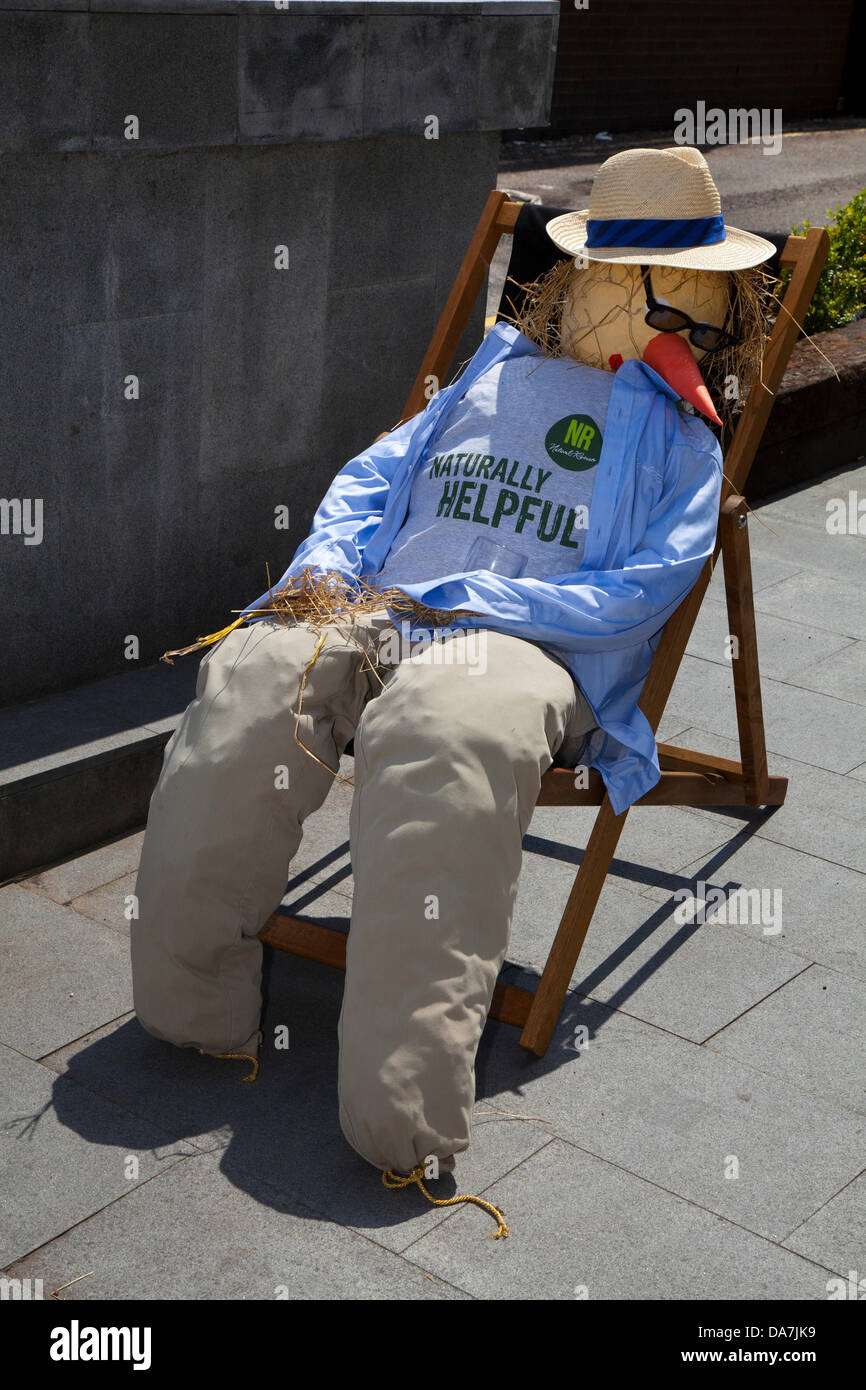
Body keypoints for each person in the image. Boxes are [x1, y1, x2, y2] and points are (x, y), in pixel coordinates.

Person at [131, 147, 775, 1183]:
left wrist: (475, 603)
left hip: (523, 642)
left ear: (704, 304)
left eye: (668, 290)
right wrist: (328, 573)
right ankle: (189, 1005)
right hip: (378, 598)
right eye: (612, 280)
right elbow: (372, 474)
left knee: (442, 731)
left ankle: (399, 1118)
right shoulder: (490, 371)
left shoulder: (682, 442)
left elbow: (641, 591)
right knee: (253, 678)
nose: (630, 304)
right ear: (576, 279)